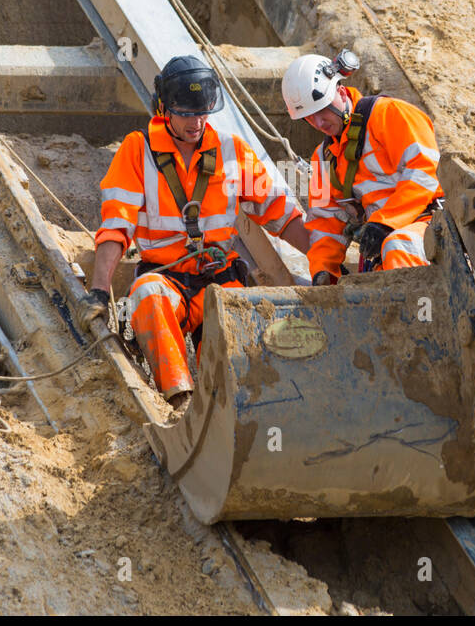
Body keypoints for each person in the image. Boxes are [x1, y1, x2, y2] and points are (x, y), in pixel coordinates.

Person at [81, 55, 310, 410]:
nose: (197, 122)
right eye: (187, 113)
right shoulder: (136, 151)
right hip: (167, 278)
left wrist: (329, 260)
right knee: (147, 294)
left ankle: (231, 405)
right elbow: (116, 225)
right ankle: (179, 401)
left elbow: (281, 215)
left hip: (219, 282)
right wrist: (98, 291)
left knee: (237, 347)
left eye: (203, 112)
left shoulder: (232, 151)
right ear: (164, 108)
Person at [282, 51, 443, 285]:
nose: (318, 123)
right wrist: (323, 272)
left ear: (340, 90)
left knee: (398, 246)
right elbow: (325, 223)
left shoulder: (389, 114)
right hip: (384, 246)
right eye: (308, 117)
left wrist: (385, 222)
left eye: (322, 110)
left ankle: (423, 320)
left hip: (429, 228)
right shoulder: (323, 159)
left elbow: (424, 172)